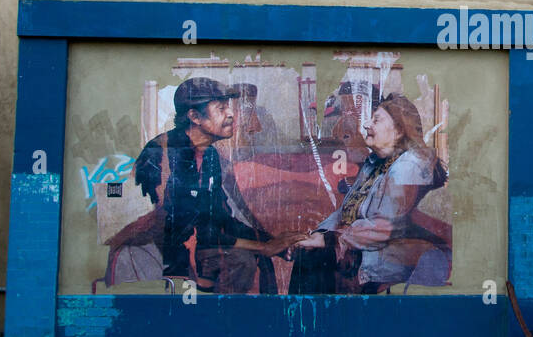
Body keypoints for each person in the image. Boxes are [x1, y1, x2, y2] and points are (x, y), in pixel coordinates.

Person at [128, 78, 285, 294]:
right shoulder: (163, 152)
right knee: (242, 260)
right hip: (161, 252)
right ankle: (221, 322)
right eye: (221, 108)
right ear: (194, 117)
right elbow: (180, 228)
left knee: (260, 259)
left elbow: (220, 219)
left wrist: (273, 243)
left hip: (195, 245)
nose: (231, 114)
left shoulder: (210, 156)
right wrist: (262, 247)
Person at [295, 93, 449, 293]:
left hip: (403, 255)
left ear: (399, 131)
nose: (367, 124)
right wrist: (318, 233)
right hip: (365, 247)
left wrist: (331, 240)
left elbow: (385, 227)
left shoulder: (410, 165)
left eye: (376, 120)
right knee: (307, 253)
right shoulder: (374, 163)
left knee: (318, 259)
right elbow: (344, 212)